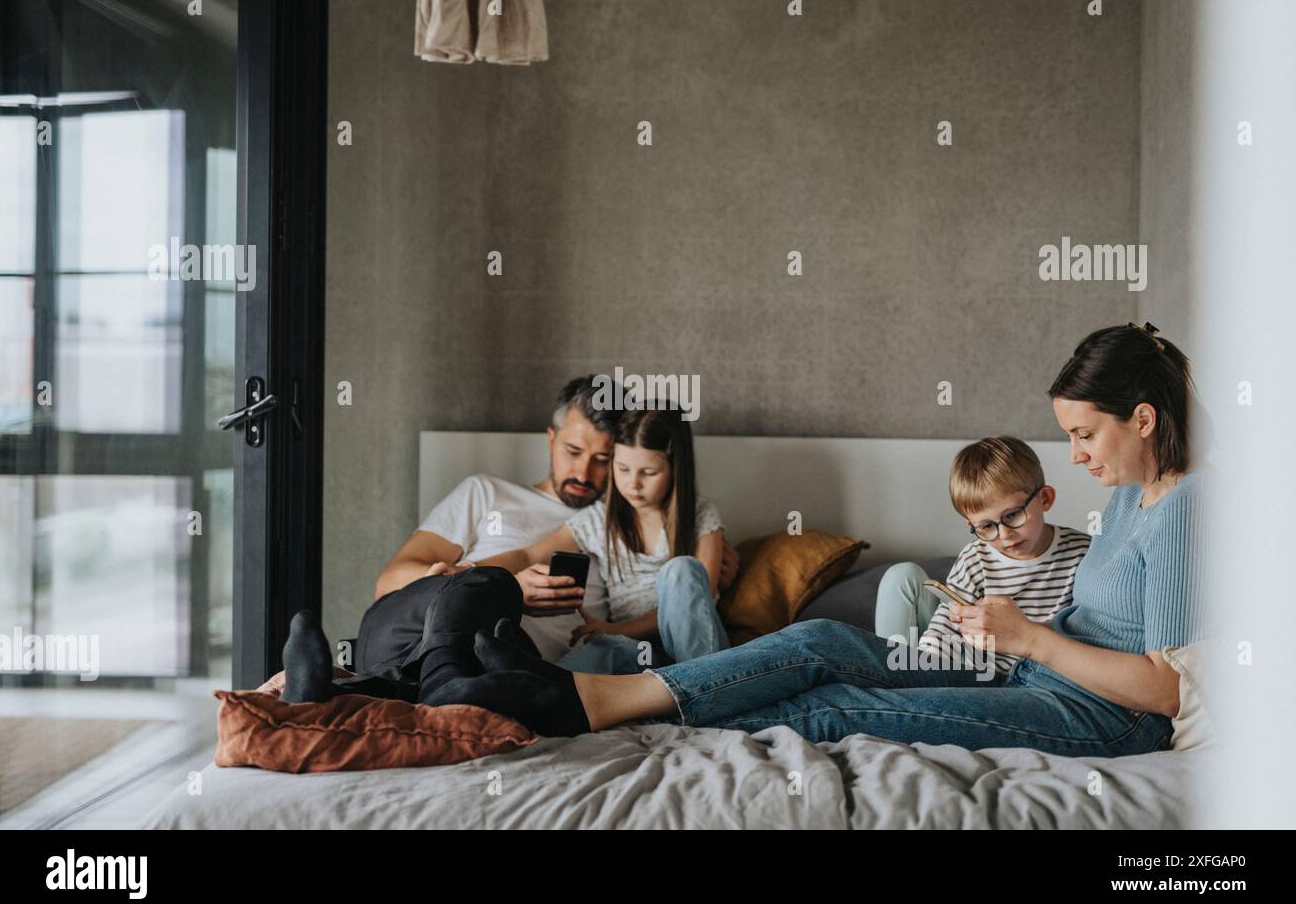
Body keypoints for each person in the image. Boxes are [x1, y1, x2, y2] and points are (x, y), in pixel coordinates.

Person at [426, 323, 1209, 759]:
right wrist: (1002, 637)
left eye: (1084, 434)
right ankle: (592, 694)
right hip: (1024, 673)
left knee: (836, 707)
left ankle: (590, 711)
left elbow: (1167, 692)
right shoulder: (1136, 495)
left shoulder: (1185, 510)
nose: (1075, 456)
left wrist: (1031, 640)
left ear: (1142, 418)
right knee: (824, 637)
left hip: (1103, 718)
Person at [278, 376, 738, 702]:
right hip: (422, 617)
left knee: (491, 675)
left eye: (603, 460)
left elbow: (689, 584)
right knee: (480, 594)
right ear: (550, 438)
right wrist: (487, 582)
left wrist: (714, 570)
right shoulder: (486, 491)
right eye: (574, 452)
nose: (584, 472)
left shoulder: (606, 521)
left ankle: (338, 694)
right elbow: (391, 583)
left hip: (510, 656)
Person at [471, 407, 728, 675]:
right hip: (643, 656)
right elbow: (528, 555)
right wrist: (467, 569)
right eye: (623, 468)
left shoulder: (701, 515)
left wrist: (616, 629)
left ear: (676, 468)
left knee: (681, 570)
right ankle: (524, 681)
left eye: (649, 473)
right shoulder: (599, 520)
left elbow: (700, 599)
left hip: (700, 652)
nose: (633, 484)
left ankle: (703, 689)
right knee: (602, 650)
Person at [874, 436, 1091, 680]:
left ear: (1045, 499)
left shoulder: (1084, 552)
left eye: (1013, 515)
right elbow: (945, 629)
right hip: (977, 667)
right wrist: (924, 680)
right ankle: (892, 678)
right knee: (901, 576)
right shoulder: (975, 558)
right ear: (971, 525)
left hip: (1041, 673)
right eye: (986, 526)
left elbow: (1088, 628)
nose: (1005, 535)